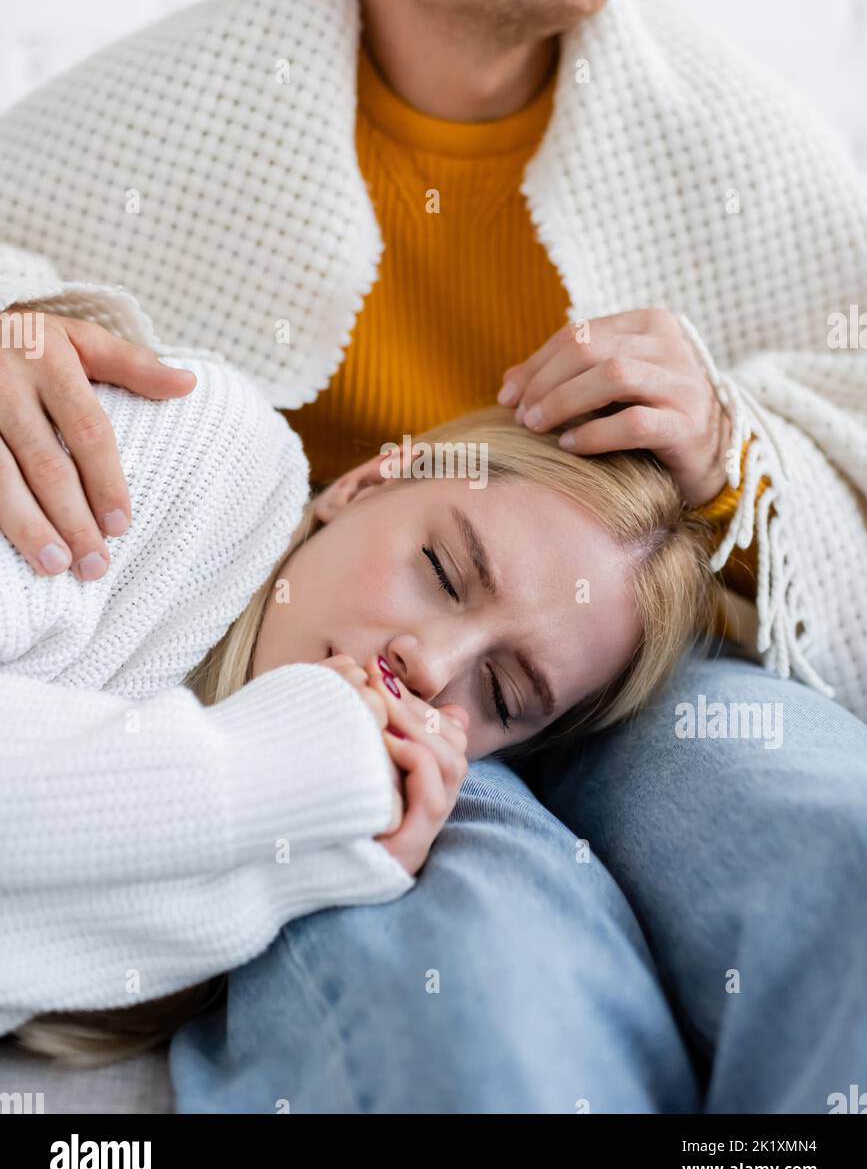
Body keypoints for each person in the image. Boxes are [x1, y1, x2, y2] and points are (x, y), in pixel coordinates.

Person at [0, 0, 865, 1111]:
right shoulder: (148, 134)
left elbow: (838, 431)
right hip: (333, 689)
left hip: (617, 674)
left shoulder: (742, 151)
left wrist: (739, 458)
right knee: (488, 985)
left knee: (827, 840)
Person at [0, 361, 716, 1063]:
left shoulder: (324, 818)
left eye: (502, 696)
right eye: (441, 572)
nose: (431, 667)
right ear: (365, 483)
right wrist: (287, 764)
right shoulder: (196, 446)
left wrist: (300, 872)